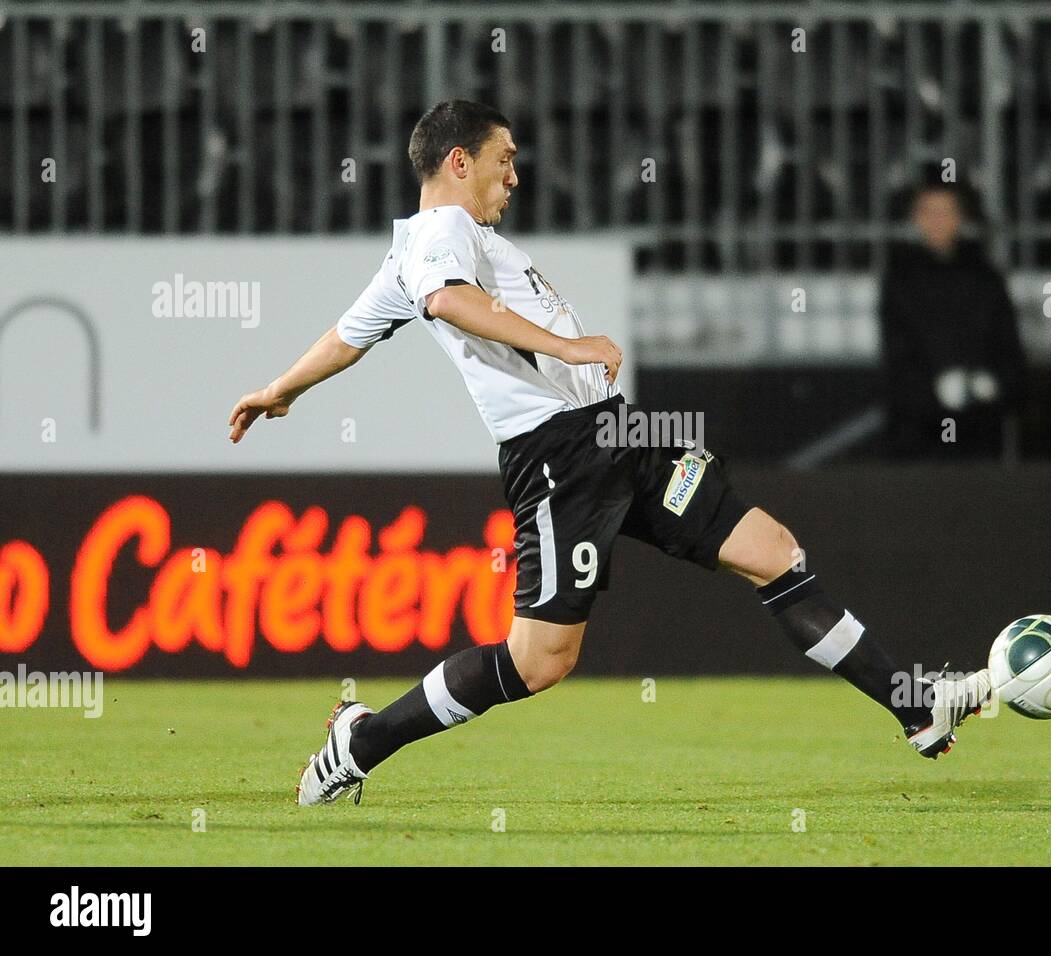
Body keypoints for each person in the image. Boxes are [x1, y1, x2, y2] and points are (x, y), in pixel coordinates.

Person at [227, 101, 991, 807]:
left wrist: (279, 388)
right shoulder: (440, 238)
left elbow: (347, 334)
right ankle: (359, 742)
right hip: (560, 459)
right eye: (505, 159)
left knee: (773, 551)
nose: (514, 176)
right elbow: (450, 302)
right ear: (458, 161)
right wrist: (570, 345)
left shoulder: (425, 248)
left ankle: (912, 705)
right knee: (540, 662)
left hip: (619, 435)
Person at [880, 178, 1027, 458]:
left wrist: (991, 384)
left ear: (960, 217)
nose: (937, 221)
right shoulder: (901, 280)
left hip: (981, 432)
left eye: (945, 212)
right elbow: (896, 357)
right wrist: (934, 392)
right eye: (928, 212)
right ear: (916, 218)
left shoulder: (986, 279)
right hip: (917, 437)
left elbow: (1009, 349)